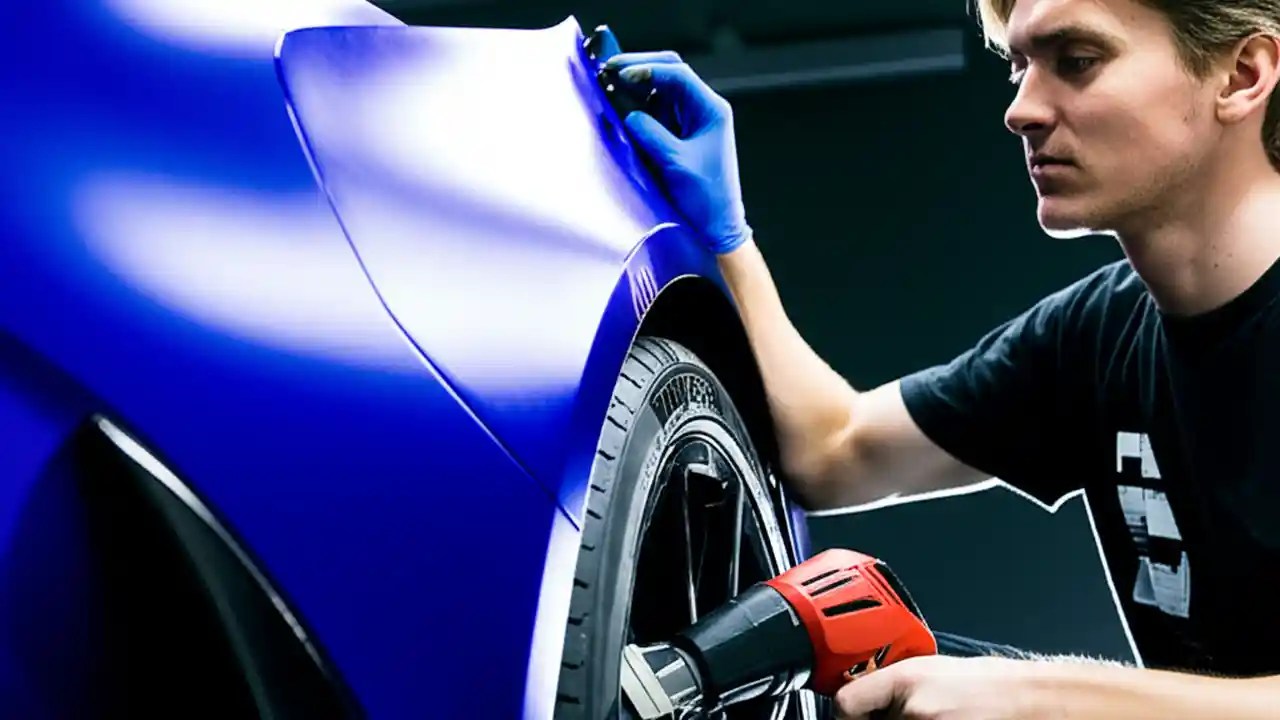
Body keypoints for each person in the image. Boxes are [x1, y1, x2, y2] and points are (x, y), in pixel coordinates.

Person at [604, 0, 1280, 717]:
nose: (1021, 111)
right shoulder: (1101, 334)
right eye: (1019, 69)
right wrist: (726, 237)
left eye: (1077, 62)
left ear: (1242, 75)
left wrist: (1033, 696)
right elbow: (834, 451)